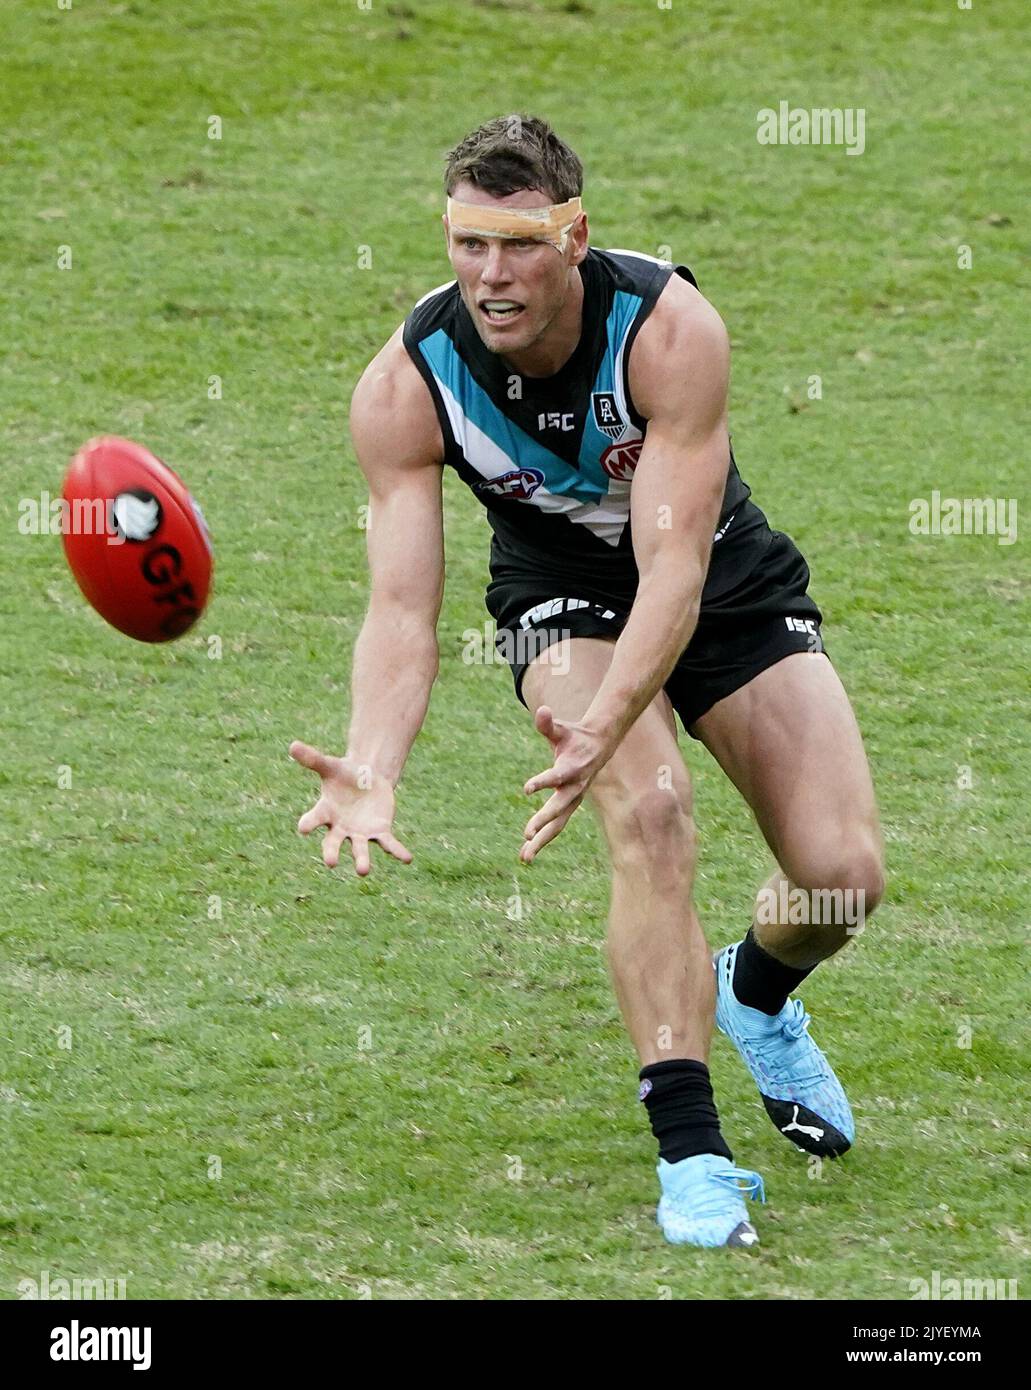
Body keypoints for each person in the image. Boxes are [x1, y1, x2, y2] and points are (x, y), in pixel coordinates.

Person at [291, 114, 886, 1249]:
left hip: (713, 577)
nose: (490, 274)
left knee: (841, 875)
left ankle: (753, 993)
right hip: (561, 600)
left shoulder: (666, 331)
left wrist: (611, 720)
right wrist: (372, 762)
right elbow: (401, 609)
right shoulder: (407, 380)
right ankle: (693, 1153)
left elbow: (673, 568)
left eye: (518, 243)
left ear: (573, 237)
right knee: (651, 815)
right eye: (469, 242)